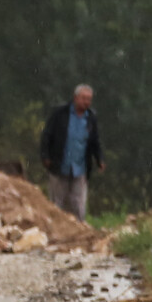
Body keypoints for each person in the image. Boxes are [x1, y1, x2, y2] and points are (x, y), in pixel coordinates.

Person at [40, 84, 105, 221]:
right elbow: (47, 135)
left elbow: (95, 141)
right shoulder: (60, 114)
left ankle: (80, 230)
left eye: (89, 99)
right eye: (83, 98)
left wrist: (100, 159)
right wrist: (45, 156)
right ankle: (55, 228)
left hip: (80, 167)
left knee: (78, 203)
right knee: (57, 203)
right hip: (59, 165)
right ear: (75, 98)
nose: (86, 102)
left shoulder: (91, 118)